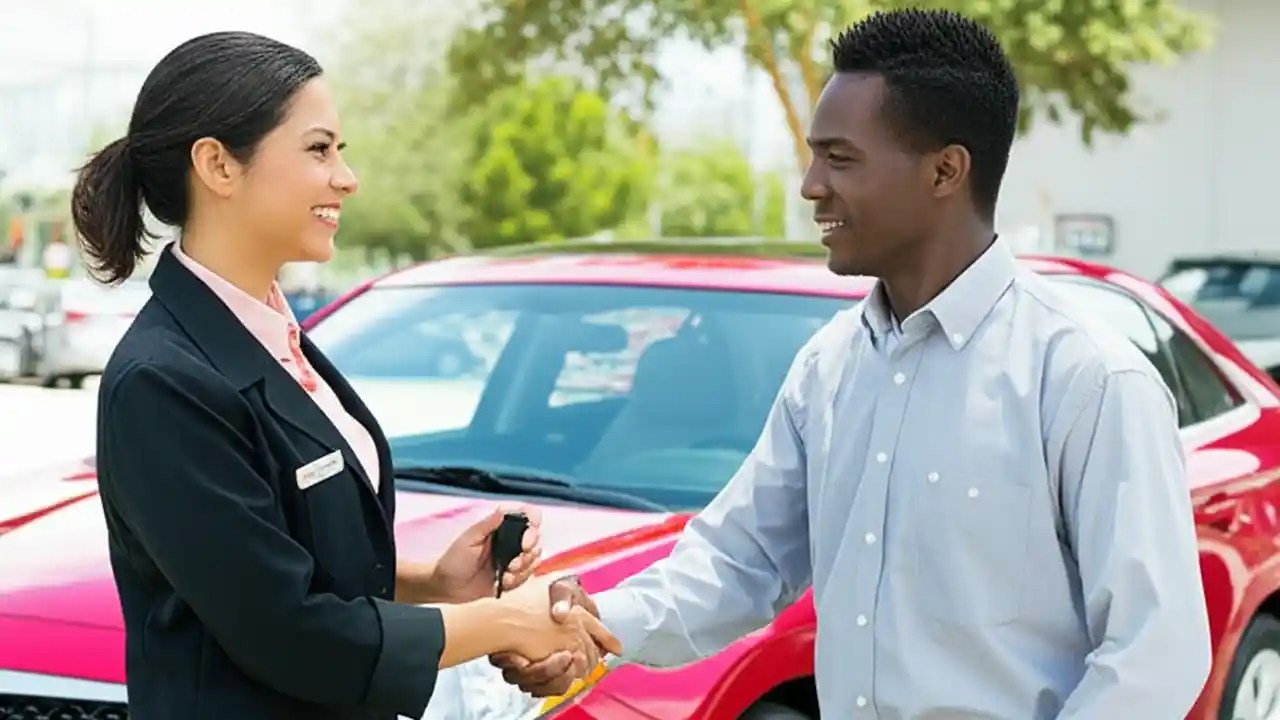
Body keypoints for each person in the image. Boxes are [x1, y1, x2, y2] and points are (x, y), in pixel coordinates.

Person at [494, 8, 1212, 718]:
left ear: (945, 171)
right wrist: (593, 623)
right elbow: (739, 561)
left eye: (839, 159)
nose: (810, 185)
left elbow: (1154, 656)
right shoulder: (829, 366)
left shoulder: (1087, 379)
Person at [71, 31, 618, 720]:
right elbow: (286, 630)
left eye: (341, 152)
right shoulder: (164, 380)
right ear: (217, 164)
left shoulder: (273, 341)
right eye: (318, 149)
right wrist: (507, 622)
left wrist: (434, 582)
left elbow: (285, 561)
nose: (346, 178)